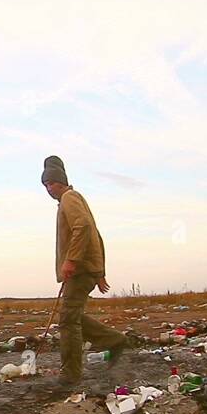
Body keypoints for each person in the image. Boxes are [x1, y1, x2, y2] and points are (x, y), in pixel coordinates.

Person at [41, 155, 127, 386]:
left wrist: (71, 260)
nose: (48, 189)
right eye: (45, 185)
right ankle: (114, 340)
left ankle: (70, 374)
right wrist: (99, 272)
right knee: (72, 316)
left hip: (79, 271)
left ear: (61, 182)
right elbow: (95, 234)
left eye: (51, 183)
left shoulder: (69, 197)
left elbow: (85, 227)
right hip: (84, 269)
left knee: (68, 321)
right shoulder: (72, 199)